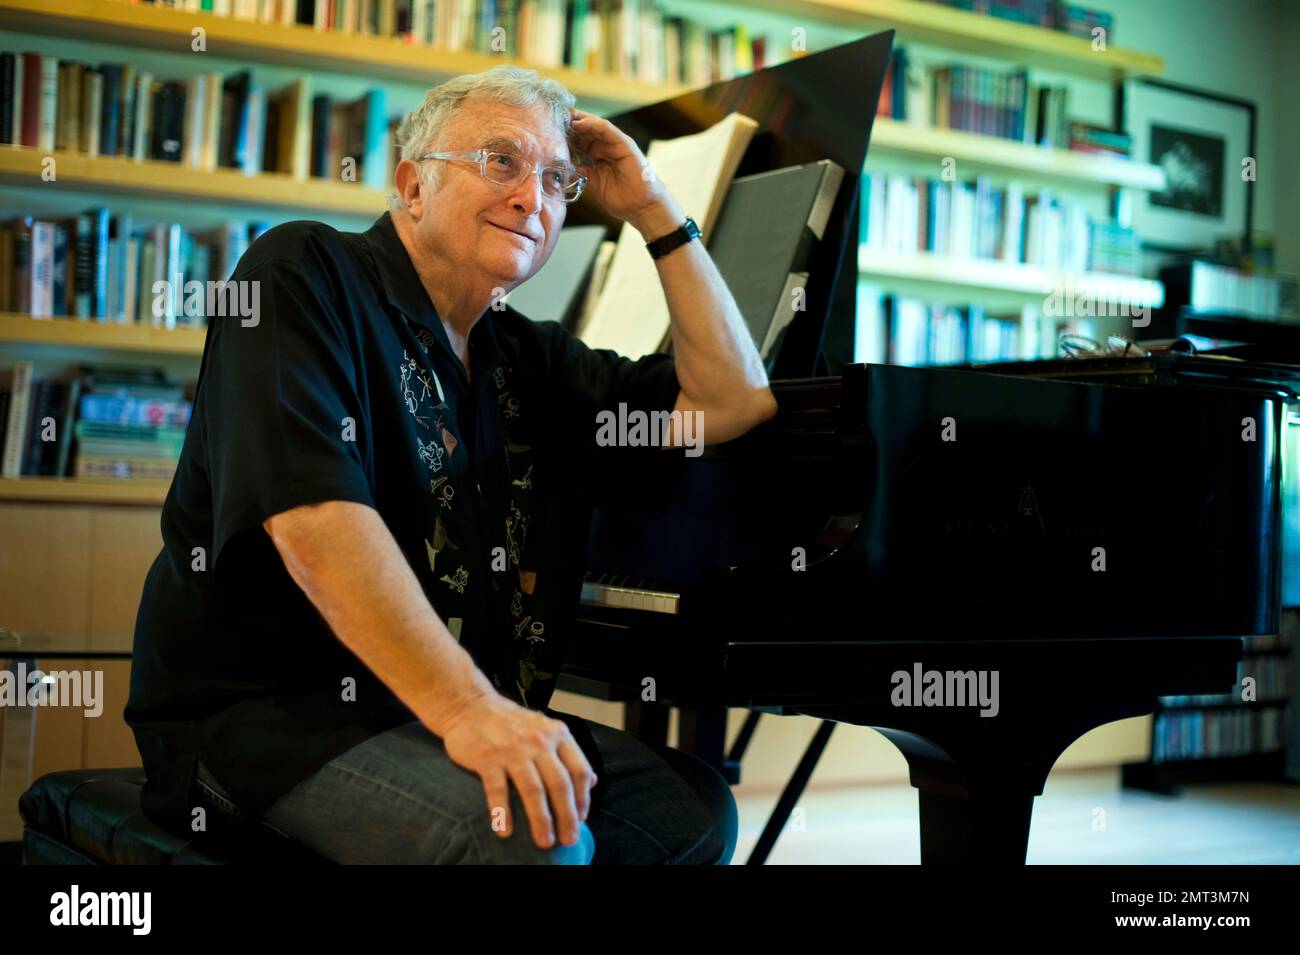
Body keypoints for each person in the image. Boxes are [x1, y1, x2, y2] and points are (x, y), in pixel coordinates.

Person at [126, 65, 777, 864]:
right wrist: (472, 710)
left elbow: (731, 403)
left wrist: (655, 212)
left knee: (692, 809)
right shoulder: (299, 273)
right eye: (501, 161)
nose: (531, 197)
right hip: (267, 724)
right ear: (412, 184)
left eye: (556, 180)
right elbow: (316, 521)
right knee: (531, 840)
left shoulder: (529, 359)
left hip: (423, 717)